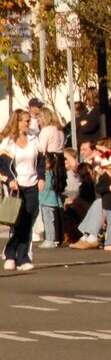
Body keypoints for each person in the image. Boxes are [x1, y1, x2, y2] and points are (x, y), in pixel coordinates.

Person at [0, 109, 45, 270]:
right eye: (26, 121)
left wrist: (41, 177)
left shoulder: (33, 140)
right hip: (16, 187)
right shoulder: (8, 143)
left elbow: (41, 161)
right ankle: (11, 253)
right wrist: (10, 180)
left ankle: (23, 257)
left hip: (32, 184)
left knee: (29, 220)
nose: (29, 123)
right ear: (17, 122)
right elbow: (3, 166)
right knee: (17, 221)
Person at [38, 153, 62, 248]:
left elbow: (45, 187)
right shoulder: (51, 173)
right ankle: (49, 238)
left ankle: (50, 239)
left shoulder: (48, 175)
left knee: (48, 221)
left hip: (47, 200)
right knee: (47, 220)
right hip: (47, 200)